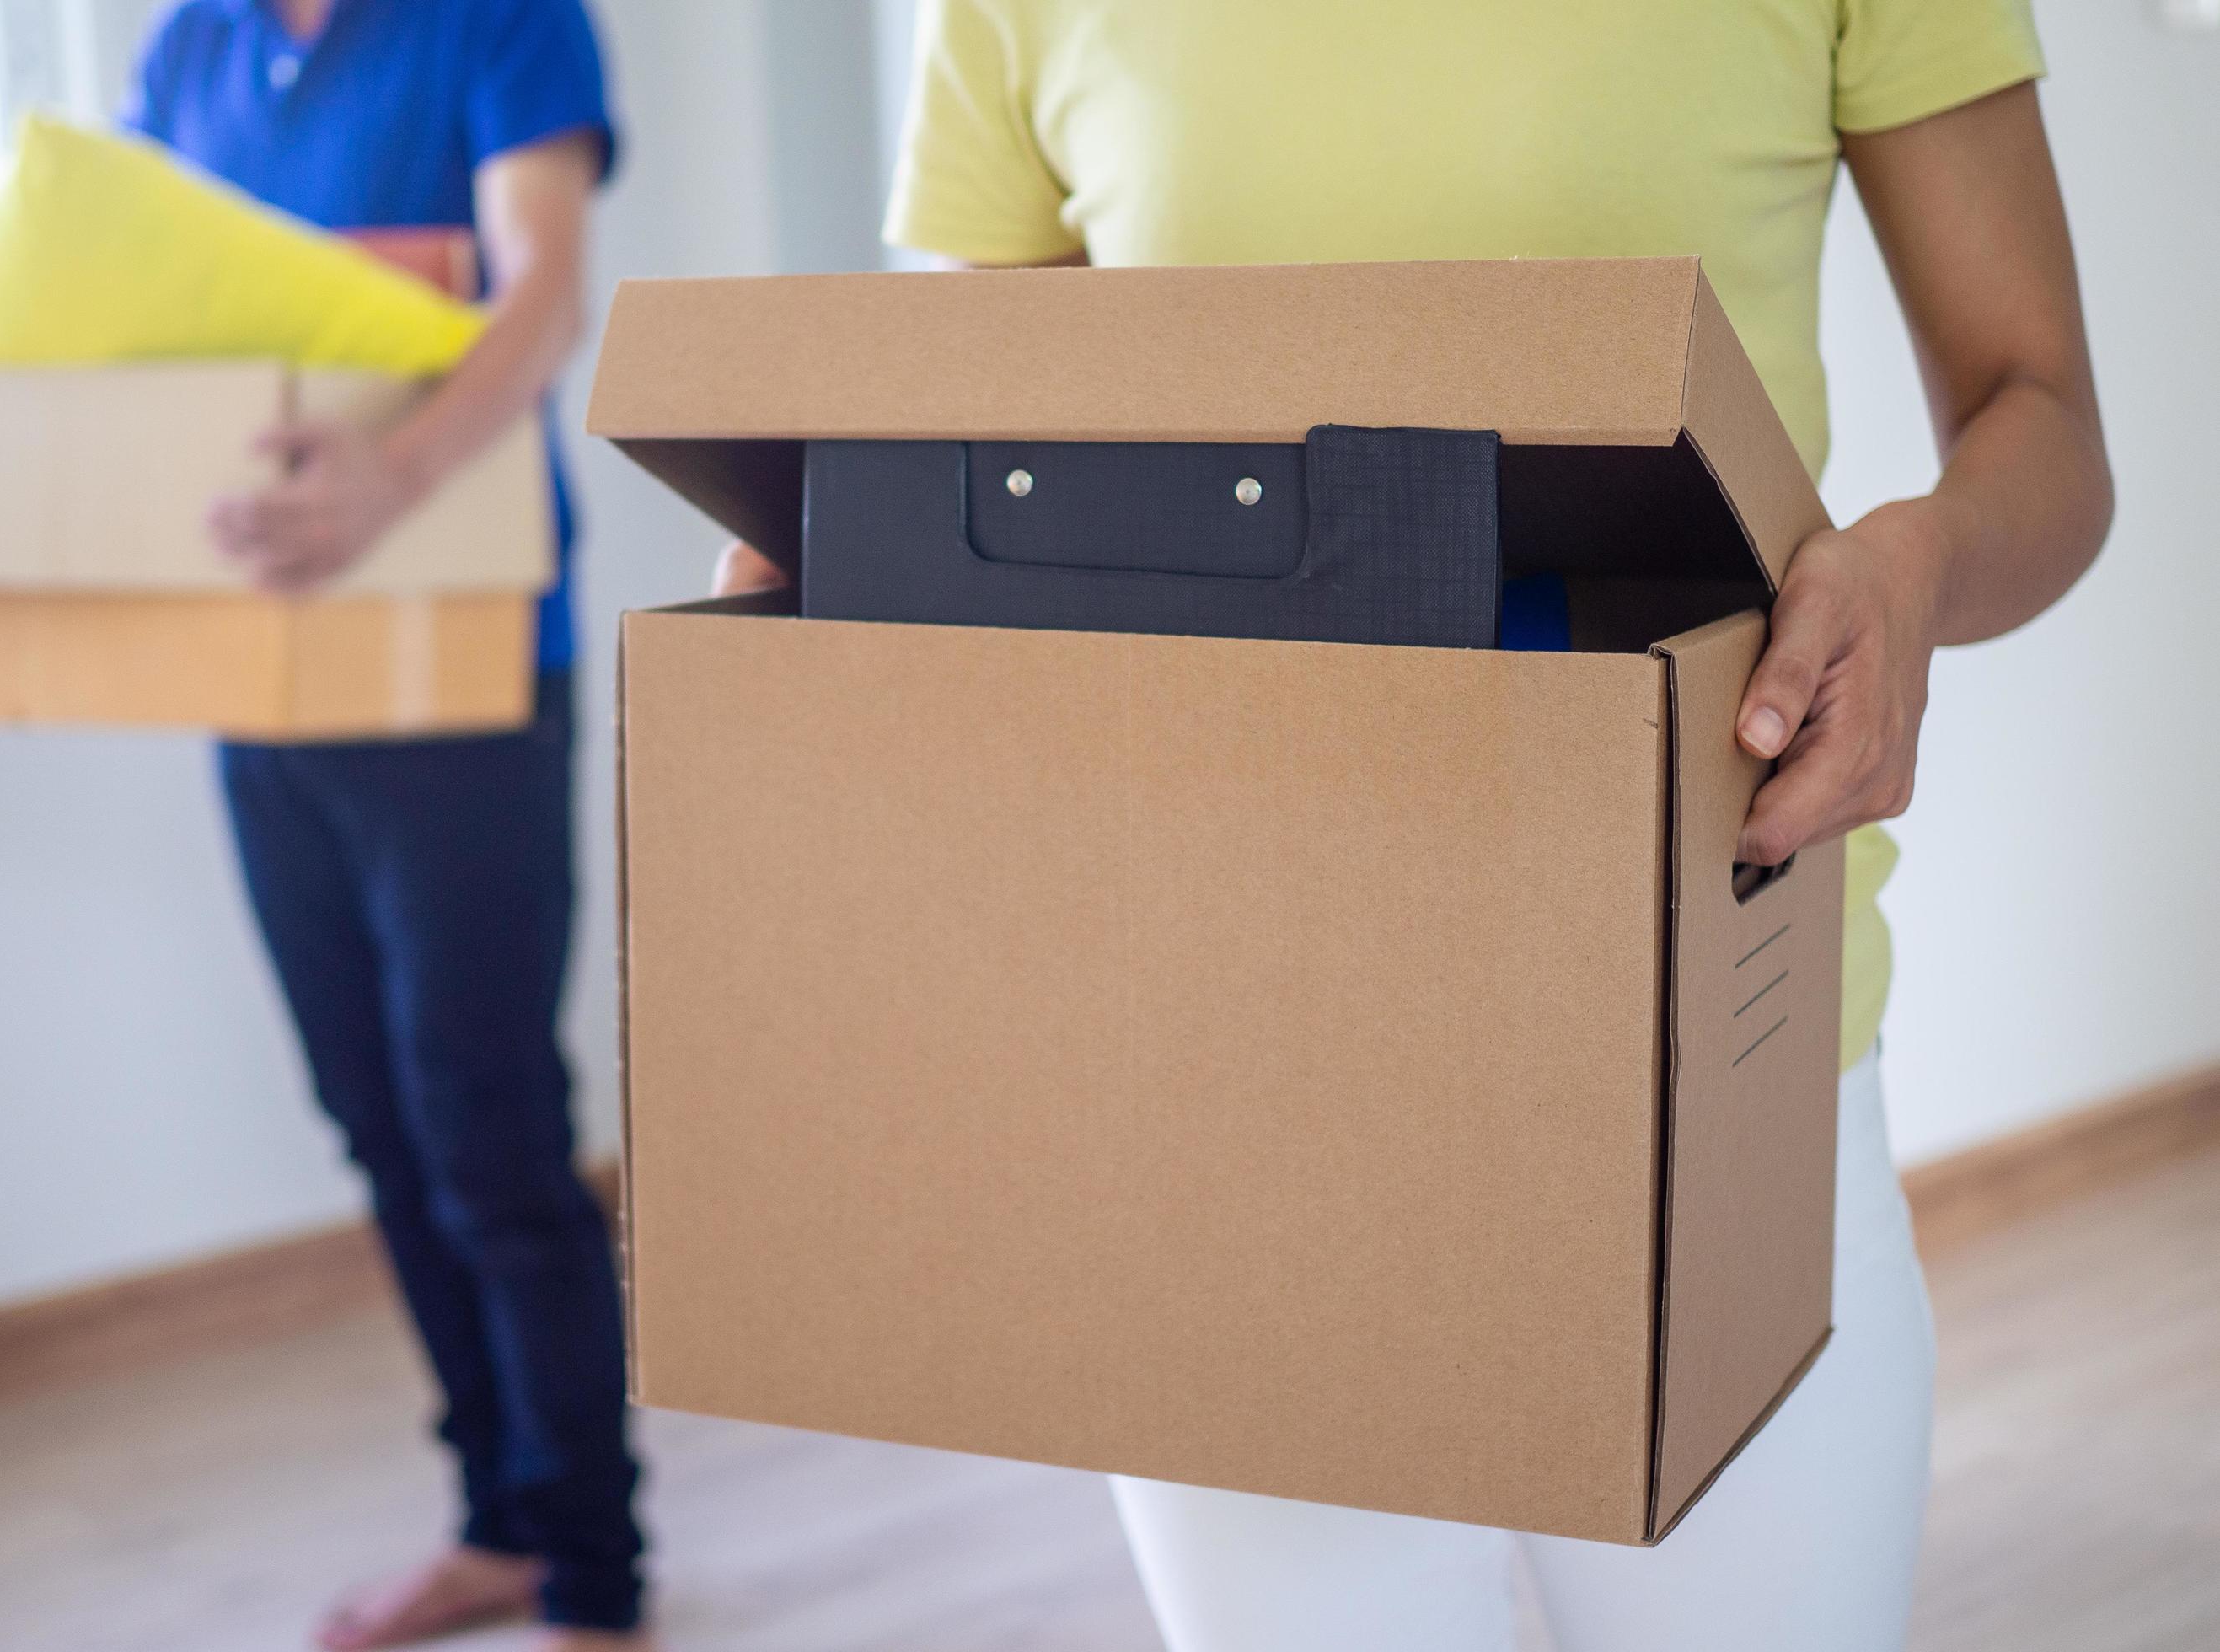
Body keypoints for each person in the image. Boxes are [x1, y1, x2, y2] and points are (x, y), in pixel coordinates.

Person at [719, 2, 2113, 1647]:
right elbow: (988, 436)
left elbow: (2046, 423)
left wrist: (1914, 565)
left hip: (1707, 1054)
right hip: (1220, 1080)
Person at [126, 3, 650, 1647]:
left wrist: (394, 472)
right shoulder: (188, 48)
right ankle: (496, 1518)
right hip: (264, 671)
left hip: (470, 662)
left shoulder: (502, 21)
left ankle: (592, 1568)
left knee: (489, 1132)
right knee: (374, 1119)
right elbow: (127, 332)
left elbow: (541, 290)